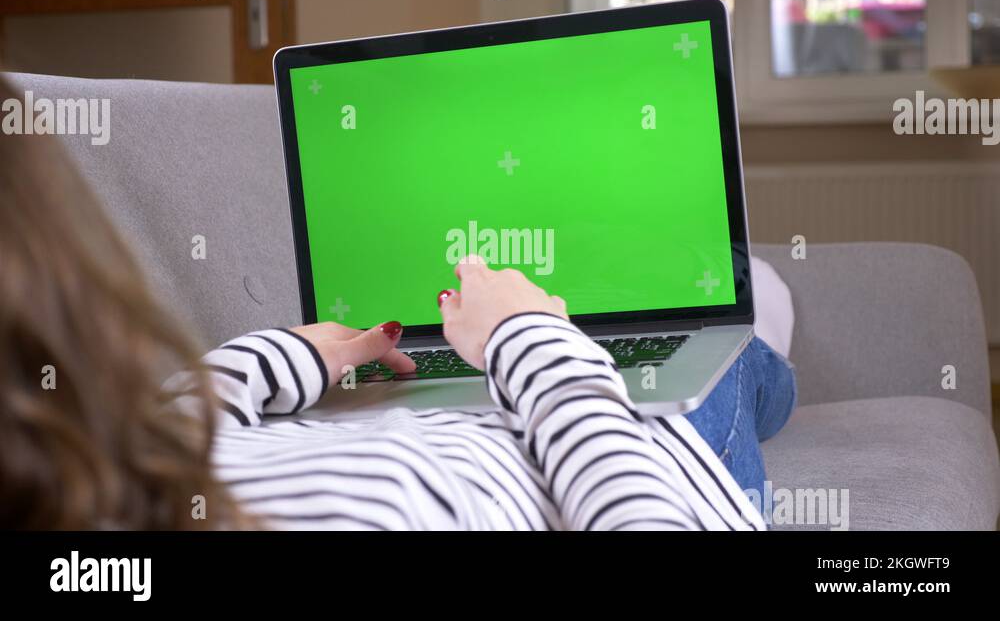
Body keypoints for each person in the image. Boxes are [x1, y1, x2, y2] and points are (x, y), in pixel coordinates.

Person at [0, 75, 795, 530]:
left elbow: (150, 433)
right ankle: (764, 332)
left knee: (707, 297)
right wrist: (532, 341)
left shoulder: (80, 486)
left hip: (474, 394)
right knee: (733, 330)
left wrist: (284, 357)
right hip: (607, 441)